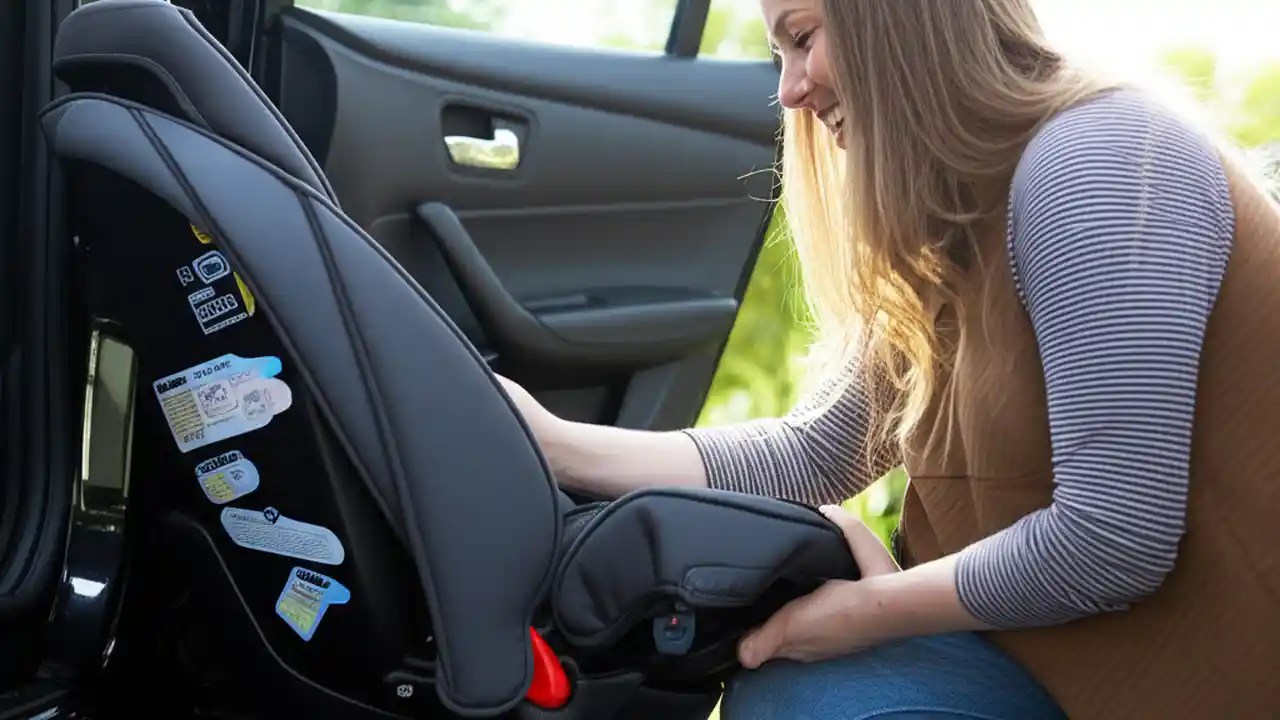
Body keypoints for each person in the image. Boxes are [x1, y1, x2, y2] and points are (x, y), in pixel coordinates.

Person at [498, 0, 1280, 718]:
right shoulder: (958, 216)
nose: (789, 92)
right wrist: (548, 441)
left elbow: (1115, 535)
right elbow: (810, 455)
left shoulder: (1097, 162)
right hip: (1048, 665)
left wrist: (873, 610)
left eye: (802, 39)